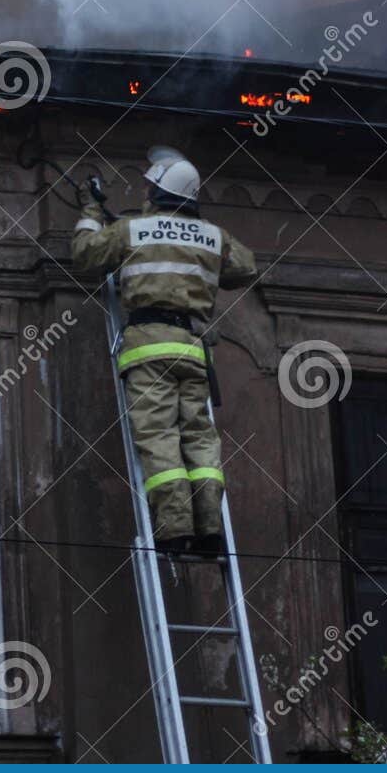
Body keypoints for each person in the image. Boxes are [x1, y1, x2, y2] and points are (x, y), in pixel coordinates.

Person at [72, 147, 257, 557]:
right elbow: (245, 267)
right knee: (199, 439)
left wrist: (90, 210)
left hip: (148, 349)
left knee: (159, 437)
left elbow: (85, 254)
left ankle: (175, 527)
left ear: (156, 191)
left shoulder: (132, 230)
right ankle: (209, 523)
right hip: (192, 352)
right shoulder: (213, 236)